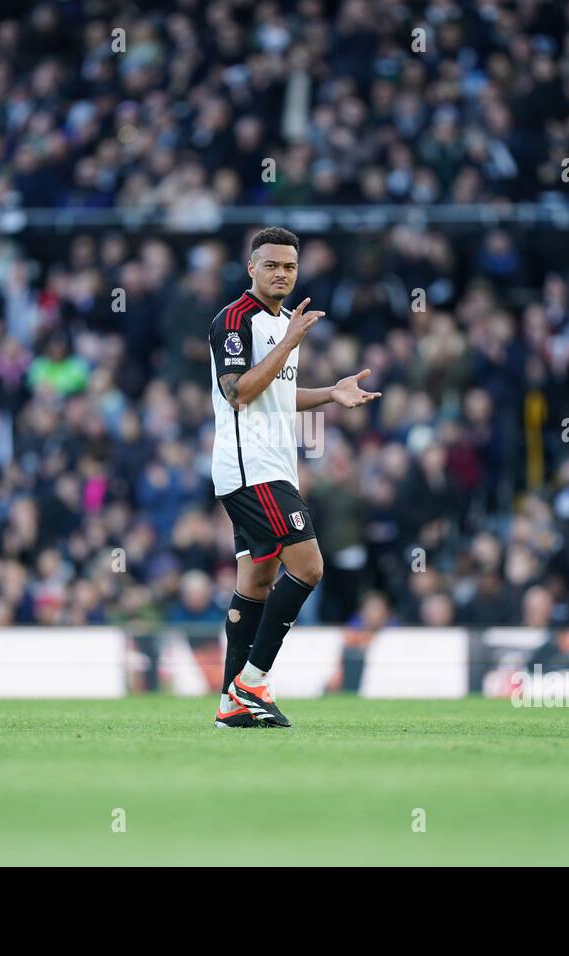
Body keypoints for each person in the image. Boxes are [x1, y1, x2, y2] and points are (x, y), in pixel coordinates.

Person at [208, 227, 380, 728]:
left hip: (275, 465)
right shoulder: (234, 320)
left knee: (258, 581)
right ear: (251, 268)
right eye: (272, 265)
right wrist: (287, 343)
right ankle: (253, 682)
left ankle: (229, 705)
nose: (282, 273)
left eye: (290, 266)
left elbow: (277, 394)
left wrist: (330, 393)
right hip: (249, 468)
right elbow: (239, 391)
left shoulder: (286, 323)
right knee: (309, 567)